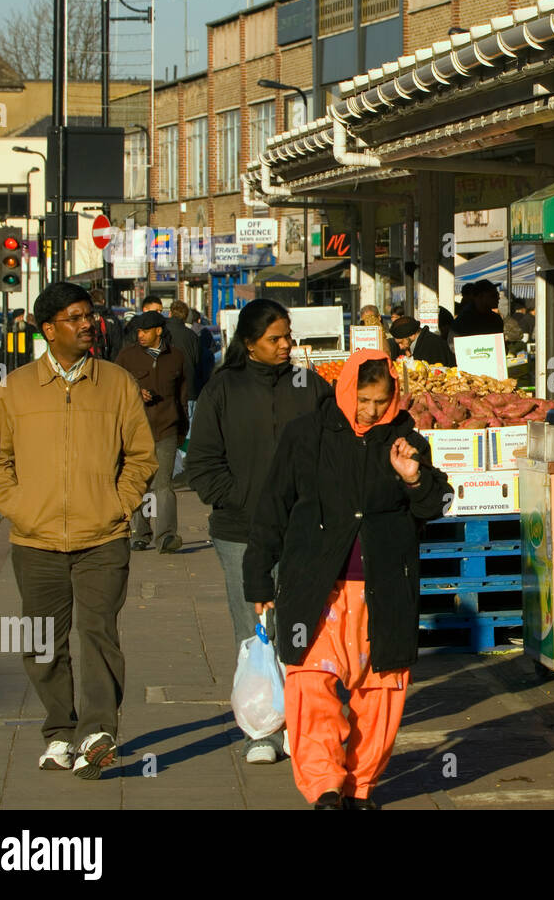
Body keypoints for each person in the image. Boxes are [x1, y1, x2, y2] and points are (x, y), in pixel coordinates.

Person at [243, 350, 452, 809]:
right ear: (345, 391)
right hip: (316, 588)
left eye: (381, 400)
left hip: (383, 589)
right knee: (309, 686)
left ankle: (359, 788)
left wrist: (414, 478)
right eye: (363, 399)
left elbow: (434, 507)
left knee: (381, 691)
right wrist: (258, 577)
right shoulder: (305, 435)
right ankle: (324, 788)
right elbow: (273, 507)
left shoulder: (407, 441)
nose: (372, 410)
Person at [0, 282, 157, 779]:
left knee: (98, 632)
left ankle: (99, 733)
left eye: (89, 316)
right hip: (35, 541)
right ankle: (60, 732)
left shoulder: (116, 382)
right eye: (75, 318)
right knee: (42, 642)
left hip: (103, 537)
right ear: (48, 329)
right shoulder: (16, 387)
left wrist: (119, 506)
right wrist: (21, 509)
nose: (86, 325)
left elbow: (142, 455)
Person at [185, 299, 335, 765]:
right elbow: (202, 463)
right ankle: (261, 730)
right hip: (240, 532)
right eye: (275, 339)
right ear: (249, 344)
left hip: (305, 530)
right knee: (255, 630)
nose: (286, 345)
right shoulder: (222, 389)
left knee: (304, 625)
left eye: (289, 336)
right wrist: (240, 499)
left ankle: (304, 723)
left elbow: (336, 446)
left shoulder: (310, 386)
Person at [116, 311, 189, 554]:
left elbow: (182, 395)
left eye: (145, 331)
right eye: (138, 331)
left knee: (163, 485)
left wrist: (182, 428)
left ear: (159, 330)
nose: (141, 335)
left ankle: (166, 535)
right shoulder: (127, 357)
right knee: (141, 483)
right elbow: (114, 390)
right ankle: (140, 533)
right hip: (136, 429)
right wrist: (136, 391)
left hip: (166, 427)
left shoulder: (176, 357)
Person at [165, 300, 200, 409]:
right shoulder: (192, 336)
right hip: (189, 389)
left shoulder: (162, 333)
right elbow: (197, 361)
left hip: (167, 390)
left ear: (170, 313)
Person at [389, 315, 454, 367]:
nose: (400, 347)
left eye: (401, 342)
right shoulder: (423, 342)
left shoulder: (430, 346)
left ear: (411, 335)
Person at [88, 290, 124, 362]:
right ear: (103, 301)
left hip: (89, 361)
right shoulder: (113, 319)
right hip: (109, 362)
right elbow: (118, 345)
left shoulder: (86, 318)